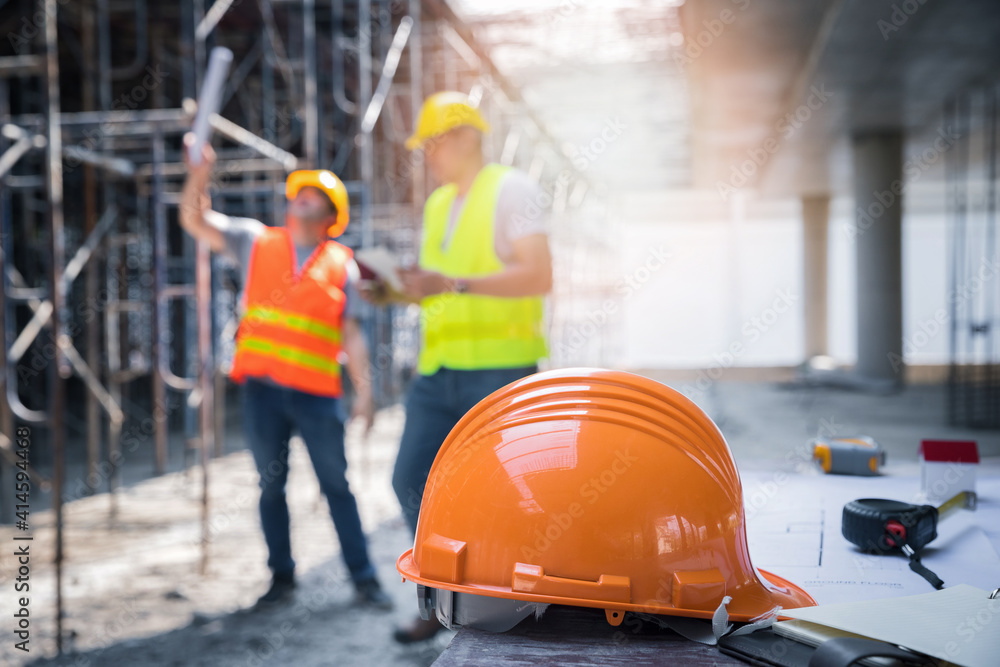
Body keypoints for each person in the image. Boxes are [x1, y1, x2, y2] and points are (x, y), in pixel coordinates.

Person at [364, 92, 553, 642]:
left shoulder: (512, 190)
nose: (426, 155)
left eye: (433, 143)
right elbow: (441, 289)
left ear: (467, 137)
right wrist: (398, 293)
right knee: (410, 480)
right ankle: (439, 600)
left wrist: (453, 283)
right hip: (439, 370)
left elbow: (538, 275)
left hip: (499, 371)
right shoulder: (439, 205)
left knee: (504, 494)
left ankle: (509, 605)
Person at [179, 134, 393, 610]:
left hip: (317, 396)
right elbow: (194, 218)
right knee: (270, 486)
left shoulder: (345, 266)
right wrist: (199, 172)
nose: (300, 198)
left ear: (329, 214)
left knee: (336, 486)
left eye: (312, 193)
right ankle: (282, 578)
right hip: (263, 393)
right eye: (299, 192)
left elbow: (352, 334)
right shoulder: (256, 242)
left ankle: (364, 579)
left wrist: (364, 392)